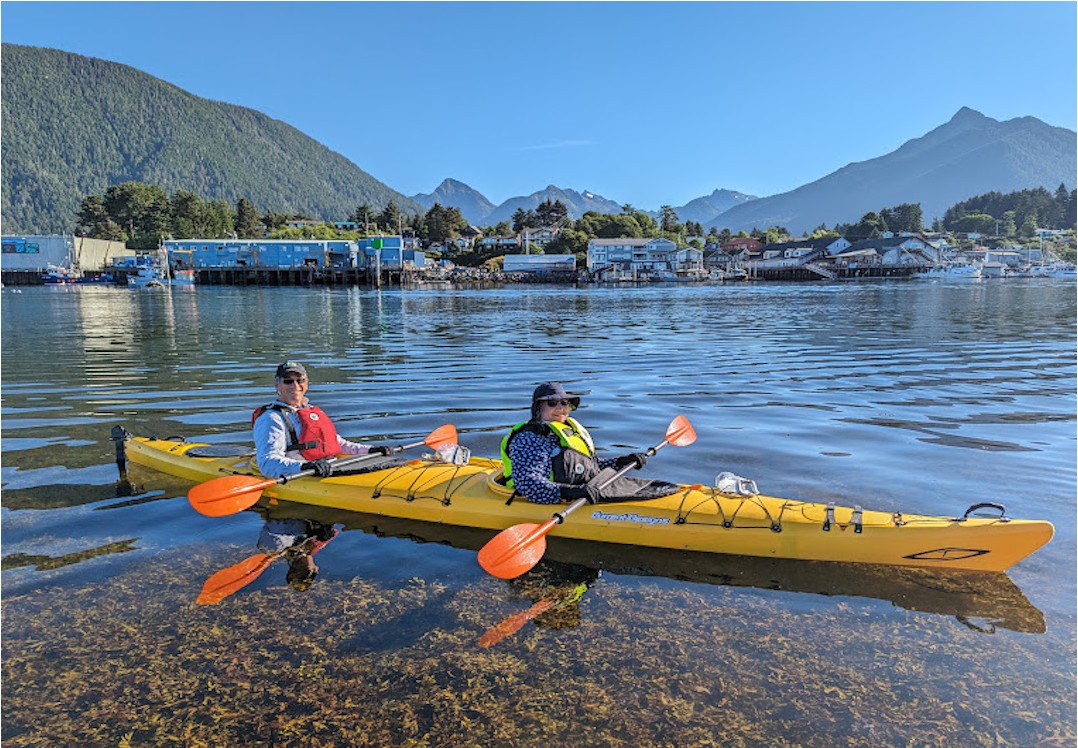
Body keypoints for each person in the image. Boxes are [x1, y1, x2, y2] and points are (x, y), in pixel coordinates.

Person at [500, 381, 678, 504]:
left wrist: (620, 462)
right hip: (537, 500)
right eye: (552, 403)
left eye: (564, 402)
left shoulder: (566, 431)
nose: (560, 408)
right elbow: (529, 483)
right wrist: (570, 493)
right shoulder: (529, 439)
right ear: (538, 408)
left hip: (582, 490)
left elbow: (585, 466)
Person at [252, 360, 392, 479]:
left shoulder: (313, 412)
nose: (295, 386)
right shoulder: (271, 418)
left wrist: (371, 450)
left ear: (307, 383)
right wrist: (304, 467)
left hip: (332, 467)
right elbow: (267, 463)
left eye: (300, 380)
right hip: (304, 474)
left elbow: (338, 443)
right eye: (288, 381)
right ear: (277, 385)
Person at [257, 517, 339, 592]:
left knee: (271, 546)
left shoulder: (275, 547)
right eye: (313, 574)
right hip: (314, 517)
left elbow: (273, 524)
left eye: (306, 574)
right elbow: (335, 529)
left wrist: (309, 530)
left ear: (294, 569)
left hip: (293, 517)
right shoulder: (318, 544)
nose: (312, 570)